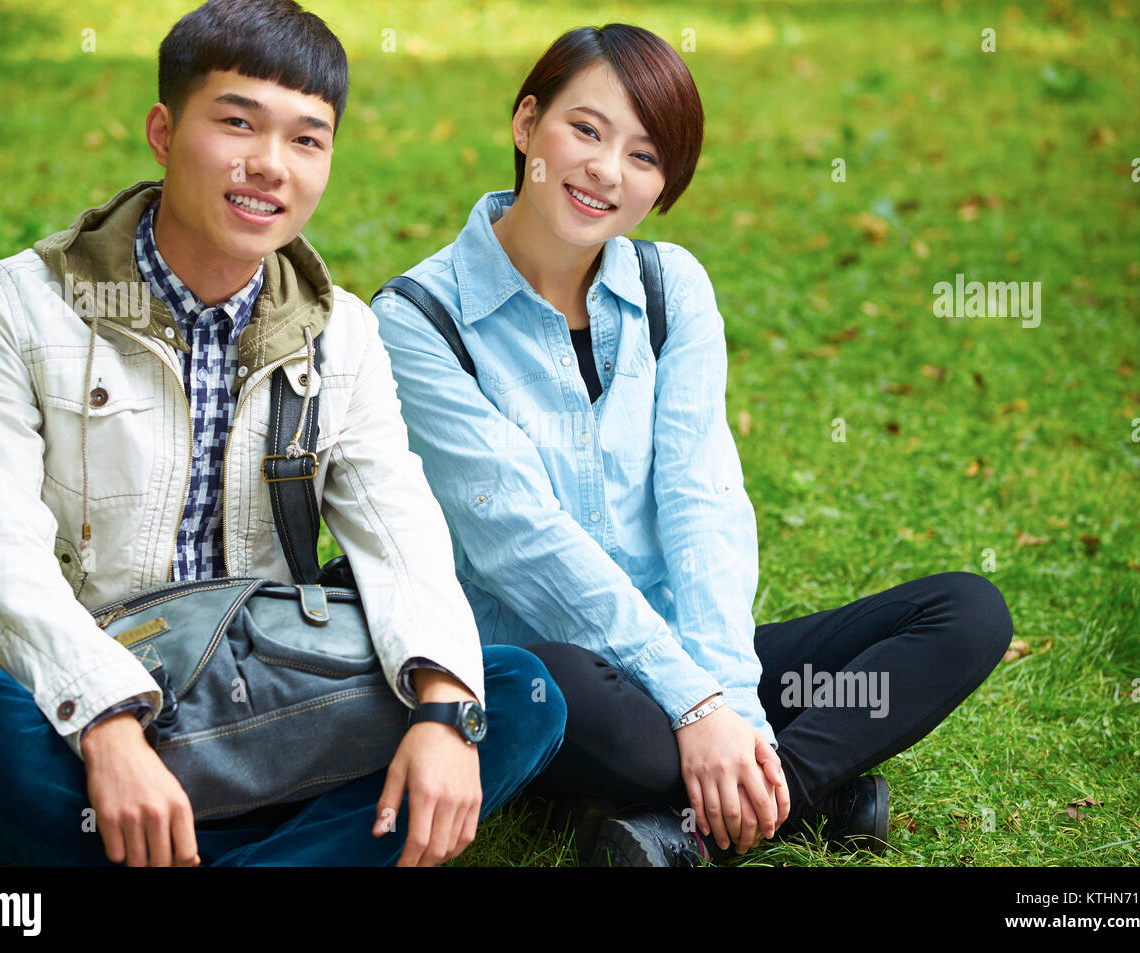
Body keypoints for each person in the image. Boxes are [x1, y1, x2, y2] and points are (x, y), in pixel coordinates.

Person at [0, 0, 565, 868]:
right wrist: (107, 721)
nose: (269, 166)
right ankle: (287, 846)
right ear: (164, 132)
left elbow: (400, 536)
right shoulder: (23, 303)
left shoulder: (341, 333)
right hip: (74, 698)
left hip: (267, 694)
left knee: (512, 694)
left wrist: (439, 709)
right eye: (238, 123)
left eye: (306, 139)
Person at [370, 23, 1014, 867]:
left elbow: (700, 498)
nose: (607, 171)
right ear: (527, 124)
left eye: (645, 155)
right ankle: (803, 789)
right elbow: (523, 544)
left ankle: (707, 816)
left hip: (690, 658)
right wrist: (692, 707)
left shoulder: (673, 286)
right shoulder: (418, 320)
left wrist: (728, 707)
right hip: (553, 673)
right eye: (587, 130)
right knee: (555, 681)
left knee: (966, 614)